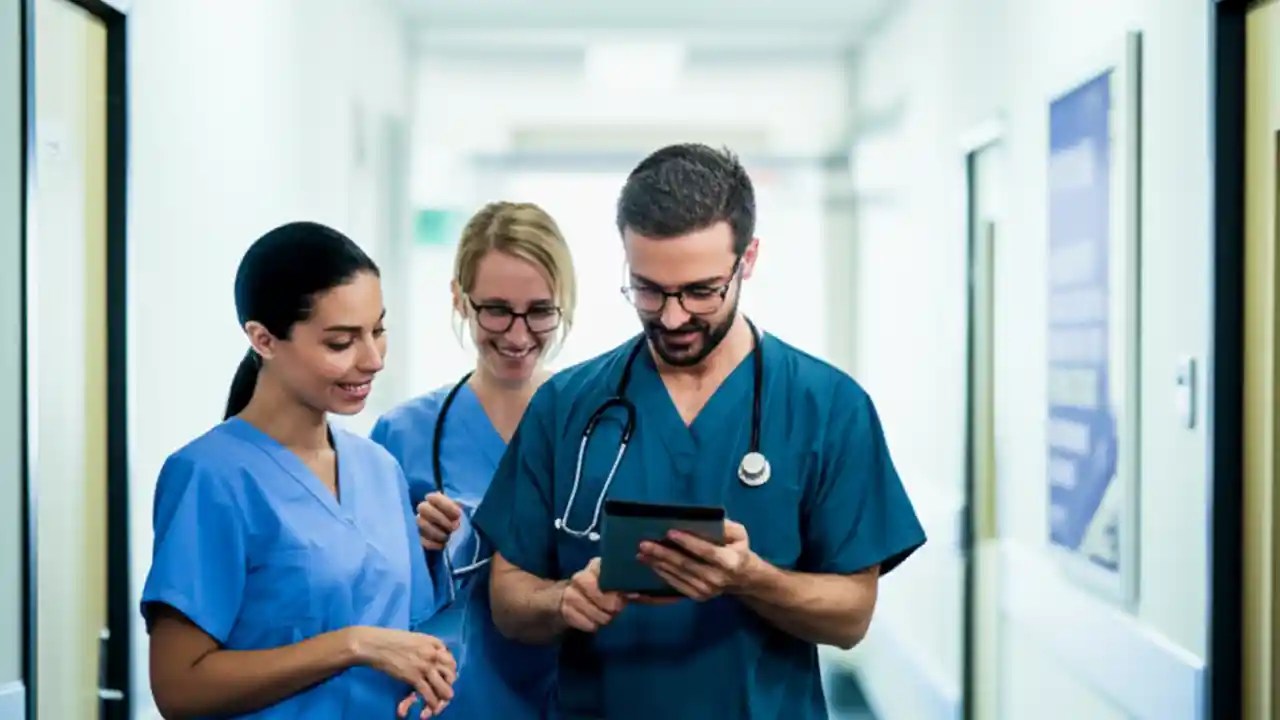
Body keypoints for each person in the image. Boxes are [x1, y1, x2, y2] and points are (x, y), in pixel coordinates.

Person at [471, 144, 927, 719]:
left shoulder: (827, 407)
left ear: (749, 258)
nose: (673, 316)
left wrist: (752, 578)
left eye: (701, 291)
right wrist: (564, 601)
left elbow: (852, 616)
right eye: (648, 289)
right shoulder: (566, 406)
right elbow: (509, 598)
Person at [139, 221, 457, 719]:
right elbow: (180, 689)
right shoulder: (210, 477)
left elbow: (410, 630)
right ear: (263, 339)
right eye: (340, 342)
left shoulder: (379, 469)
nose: (372, 360)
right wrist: (352, 645)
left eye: (378, 330)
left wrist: (431, 551)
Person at [371, 201, 577, 719]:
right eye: (496, 309)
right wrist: (420, 549)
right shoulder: (403, 435)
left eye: (540, 311)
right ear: (460, 300)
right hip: (457, 702)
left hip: (577, 696)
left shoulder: (597, 428)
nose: (517, 333)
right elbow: (370, 600)